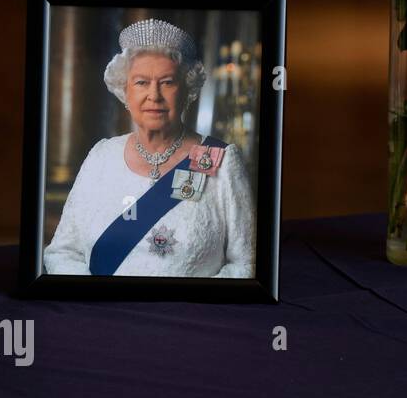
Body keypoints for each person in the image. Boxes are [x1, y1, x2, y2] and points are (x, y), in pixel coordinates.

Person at [43, 18, 255, 277]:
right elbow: (63, 252)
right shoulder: (101, 157)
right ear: (125, 92)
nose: (154, 95)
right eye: (141, 82)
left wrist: (190, 308)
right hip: (103, 313)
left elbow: (246, 264)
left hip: (187, 316)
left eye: (167, 82)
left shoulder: (220, 159)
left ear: (187, 89)